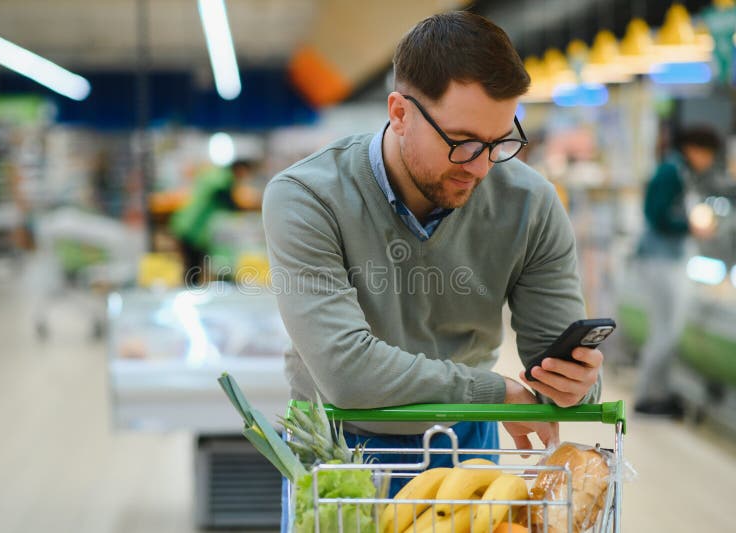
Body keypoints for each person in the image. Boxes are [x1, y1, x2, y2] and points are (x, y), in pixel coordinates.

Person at [263, 11, 603, 522]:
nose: (482, 166)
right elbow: (345, 372)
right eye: (462, 141)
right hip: (338, 453)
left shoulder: (531, 203)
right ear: (399, 113)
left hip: (463, 448)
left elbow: (553, 355)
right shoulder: (307, 197)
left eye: (500, 141)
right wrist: (495, 392)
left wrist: (575, 383)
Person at [633, 126, 720, 417]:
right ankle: (647, 397)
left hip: (665, 259)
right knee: (665, 332)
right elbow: (656, 215)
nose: (709, 161)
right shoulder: (672, 172)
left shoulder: (677, 170)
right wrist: (691, 228)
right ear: (696, 148)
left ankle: (656, 393)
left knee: (666, 330)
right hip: (661, 260)